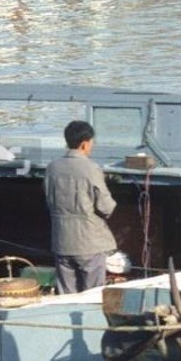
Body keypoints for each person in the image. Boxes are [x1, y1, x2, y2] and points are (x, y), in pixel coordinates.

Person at [44, 120, 117, 294]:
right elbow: (106, 207)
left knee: (66, 296)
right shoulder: (91, 168)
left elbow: (48, 200)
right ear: (85, 143)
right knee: (93, 295)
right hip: (89, 243)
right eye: (92, 142)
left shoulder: (52, 167)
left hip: (61, 241)